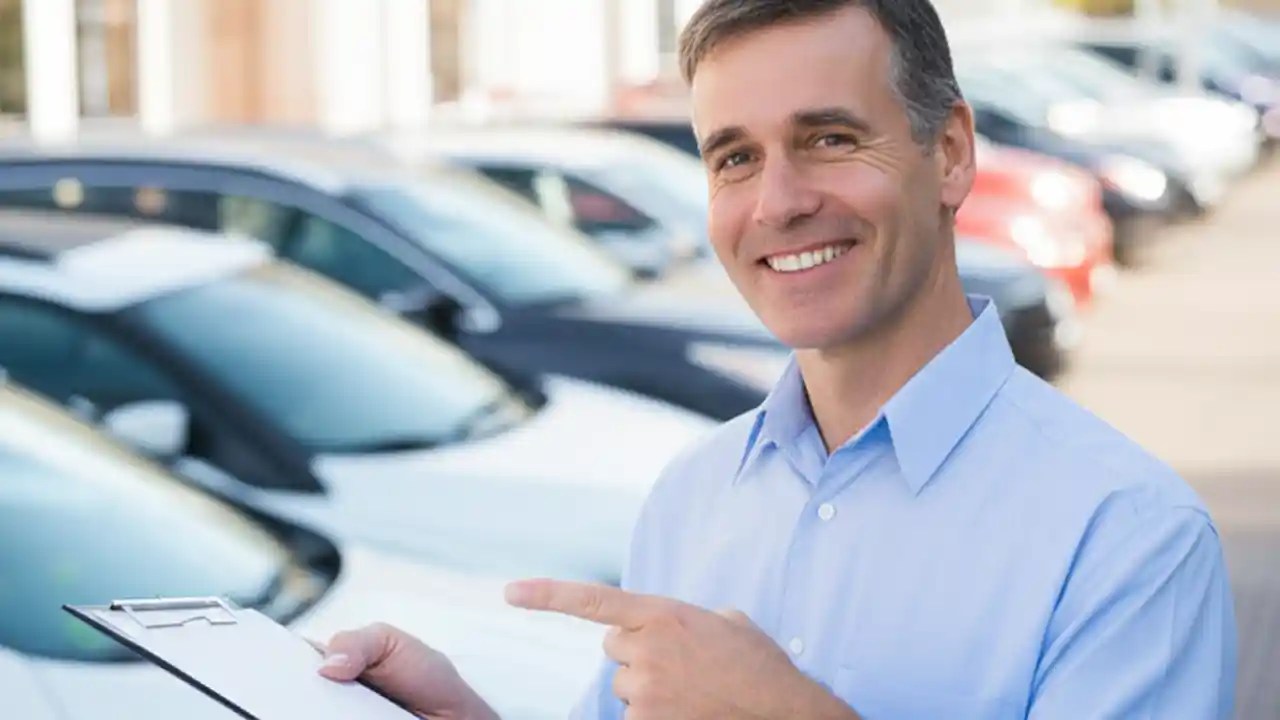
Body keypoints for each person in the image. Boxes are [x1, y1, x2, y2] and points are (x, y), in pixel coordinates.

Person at [317, 1, 1238, 718]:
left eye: (828, 139)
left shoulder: (1128, 538)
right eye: (734, 159)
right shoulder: (693, 494)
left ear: (950, 153)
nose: (778, 203)